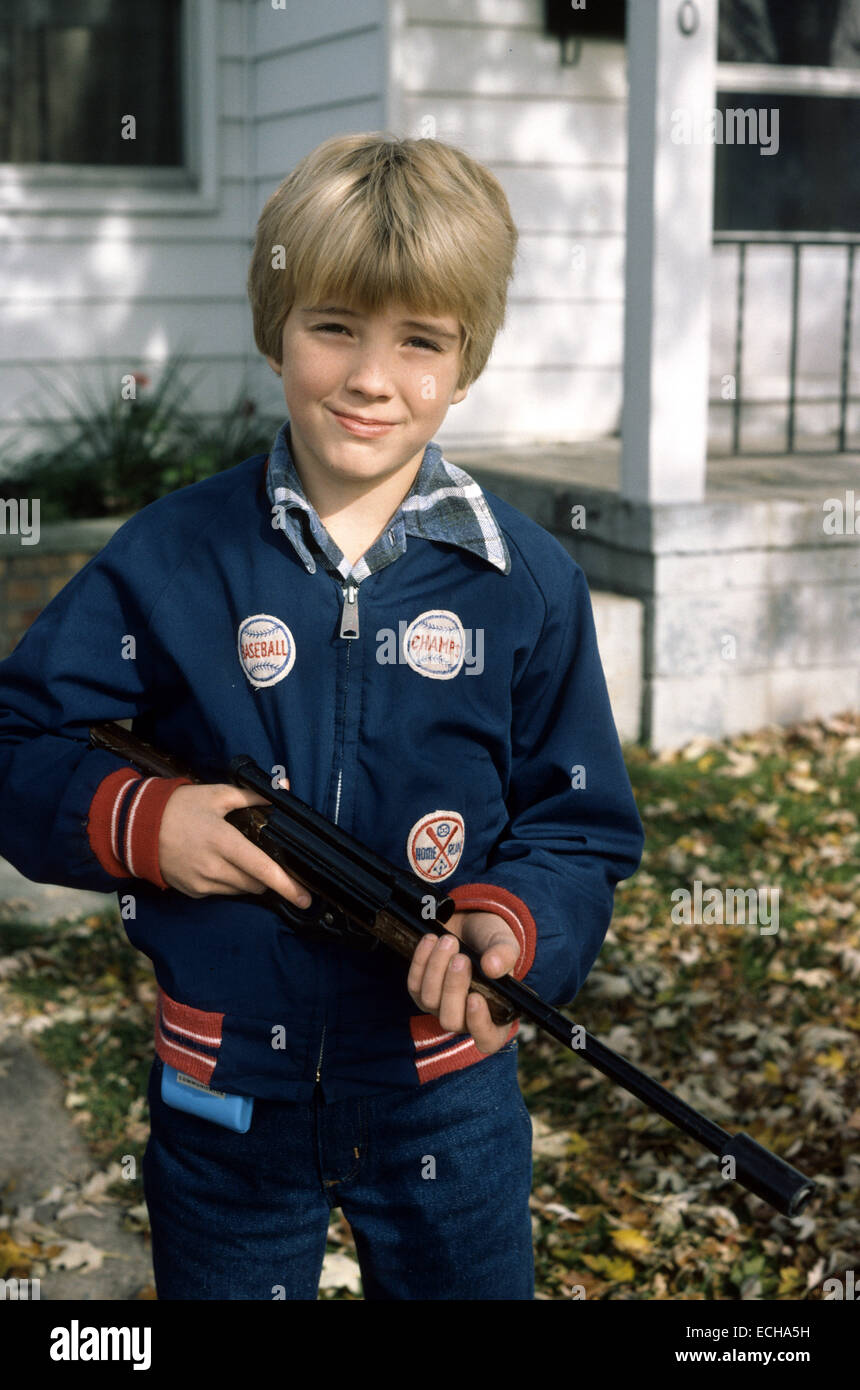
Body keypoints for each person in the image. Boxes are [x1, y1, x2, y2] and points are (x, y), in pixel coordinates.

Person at [0, 133, 645, 1300]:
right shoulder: (172, 557)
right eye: (334, 324)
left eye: (420, 341)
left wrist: (513, 928)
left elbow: (579, 825)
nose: (368, 376)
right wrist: (156, 823)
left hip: (444, 1089)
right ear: (275, 324)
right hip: (223, 1090)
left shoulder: (527, 582)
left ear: (467, 359)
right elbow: (21, 743)